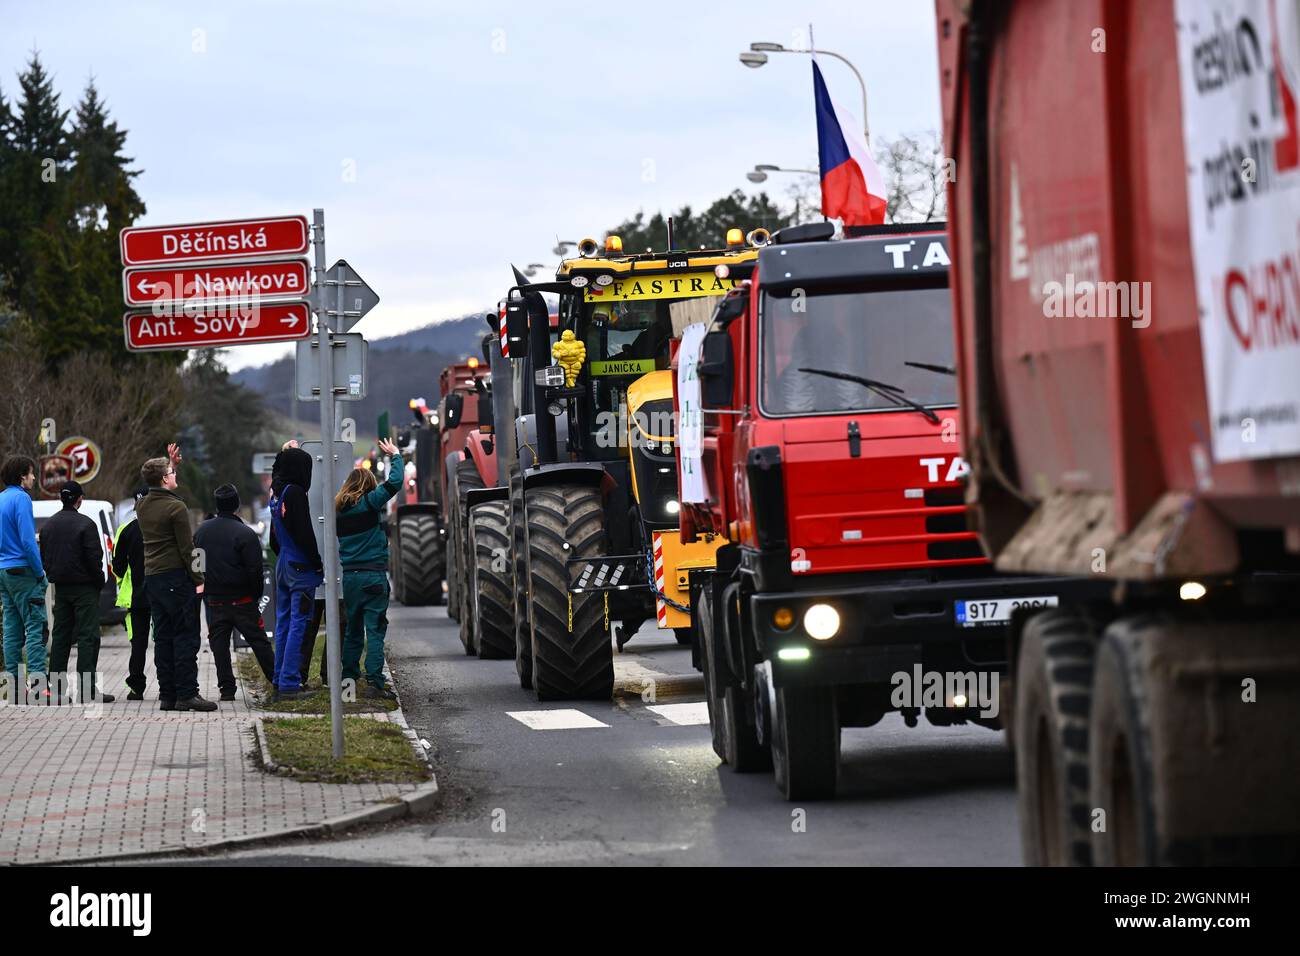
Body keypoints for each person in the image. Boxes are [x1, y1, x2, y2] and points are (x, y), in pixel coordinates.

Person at [137, 447, 216, 712]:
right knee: (185, 636)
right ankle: (187, 694)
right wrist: (198, 577)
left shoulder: (142, 505)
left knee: (163, 637)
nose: (174, 474)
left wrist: (170, 464)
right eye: (171, 473)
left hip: (153, 578)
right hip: (175, 578)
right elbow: (187, 548)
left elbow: (155, 484)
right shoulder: (176, 508)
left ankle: (167, 695)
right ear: (164, 479)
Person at [335, 439, 403, 700]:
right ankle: (374, 682)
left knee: (353, 630)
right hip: (372, 575)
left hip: (350, 578)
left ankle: (348, 682)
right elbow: (395, 483)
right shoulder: (369, 503)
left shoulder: (339, 510)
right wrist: (396, 455)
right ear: (367, 486)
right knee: (374, 629)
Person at [194, 484, 275, 701]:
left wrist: (204, 591)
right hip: (243, 599)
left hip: (215, 601)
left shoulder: (201, 532)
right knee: (258, 641)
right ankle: (276, 680)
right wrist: (255, 594)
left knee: (219, 645)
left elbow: (196, 565)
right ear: (237, 505)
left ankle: (227, 689)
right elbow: (255, 570)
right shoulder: (245, 534)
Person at [41, 479, 112, 703]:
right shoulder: (86, 524)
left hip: (61, 588)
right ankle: (87, 689)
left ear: (61, 498)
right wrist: (99, 580)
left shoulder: (49, 526)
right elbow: (94, 558)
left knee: (61, 636)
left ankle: (57, 689)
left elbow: (45, 558)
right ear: (80, 499)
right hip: (85, 588)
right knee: (88, 636)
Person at [268, 442, 323, 700]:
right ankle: (290, 683)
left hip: (283, 564)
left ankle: (279, 678)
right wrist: (317, 562)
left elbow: (273, 540)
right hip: (300, 565)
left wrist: (281, 454)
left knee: (284, 622)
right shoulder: (296, 493)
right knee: (299, 623)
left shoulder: (276, 492)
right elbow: (305, 533)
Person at [0, 455, 48, 700]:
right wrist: (39, 572)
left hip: (3, 572)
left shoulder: (0, 499)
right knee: (35, 627)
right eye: (31, 473)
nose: (33, 477)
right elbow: (29, 542)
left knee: (11, 630)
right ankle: (40, 687)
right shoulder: (21, 499)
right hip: (23, 572)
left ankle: (16, 688)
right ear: (22, 476)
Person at [112, 486, 152, 700]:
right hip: (162, 592)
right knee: (164, 639)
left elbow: (116, 565)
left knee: (138, 644)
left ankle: (136, 688)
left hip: (137, 596)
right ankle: (167, 686)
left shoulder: (126, 530)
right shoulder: (161, 527)